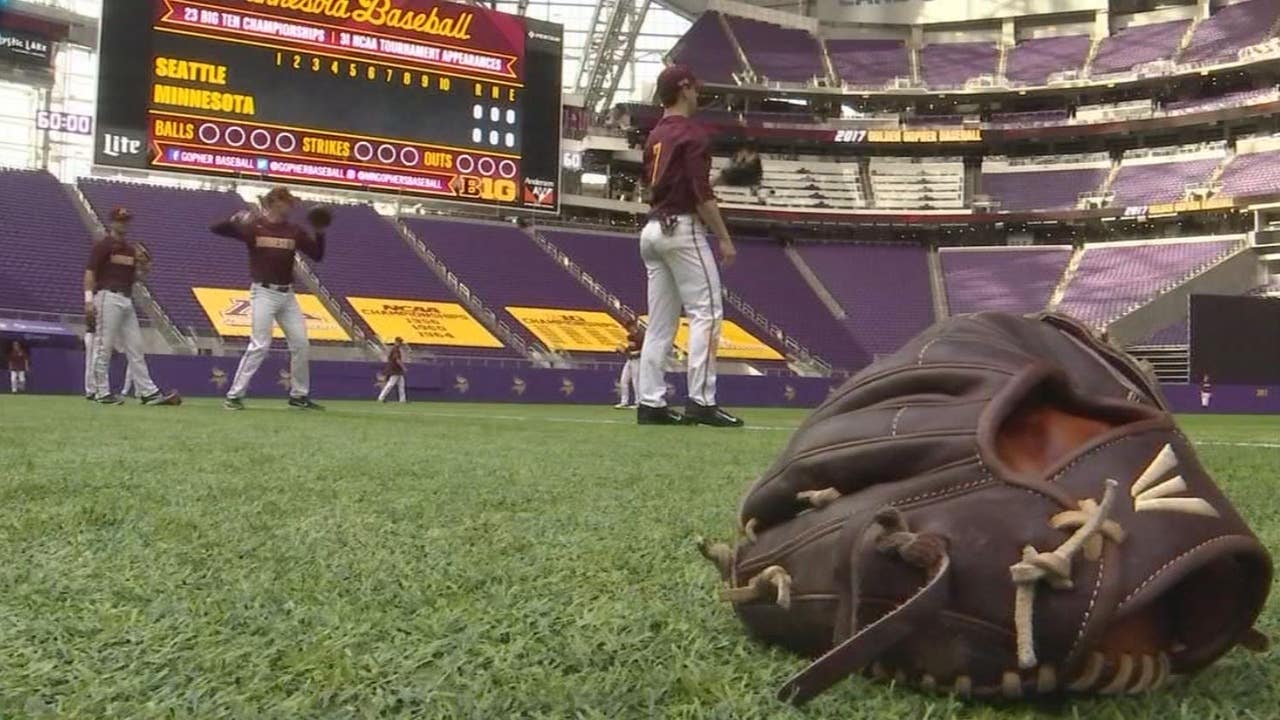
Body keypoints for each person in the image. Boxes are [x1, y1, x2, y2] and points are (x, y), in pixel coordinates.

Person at [636, 65, 743, 428]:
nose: (698, 94)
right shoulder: (692, 133)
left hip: (652, 228)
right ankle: (701, 400)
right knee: (706, 313)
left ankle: (650, 403)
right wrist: (724, 237)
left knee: (659, 324)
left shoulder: (655, 134)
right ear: (684, 89)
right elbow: (700, 194)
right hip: (682, 229)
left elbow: (662, 184)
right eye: (695, 88)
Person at [210, 187, 327, 411]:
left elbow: (317, 256)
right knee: (260, 344)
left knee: (301, 344)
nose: (291, 206)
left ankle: (299, 395)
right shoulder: (254, 227)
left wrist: (320, 232)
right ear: (274, 202)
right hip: (263, 292)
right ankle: (234, 395)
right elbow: (215, 229)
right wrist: (233, 220)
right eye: (287, 201)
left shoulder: (294, 230)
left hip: (287, 295)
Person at [84, 207, 181, 406]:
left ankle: (148, 392)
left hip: (126, 298)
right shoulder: (103, 245)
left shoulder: (130, 250)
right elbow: (90, 272)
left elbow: (133, 278)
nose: (123, 224)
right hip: (107, 296)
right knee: (104, 346)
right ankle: (101, 392)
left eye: (126, 220)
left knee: (136, 348)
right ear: (111, 222)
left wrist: (145, 268)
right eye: (120, 220)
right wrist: (88, 300)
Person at [84, 308, 134, 401]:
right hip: (94, 334)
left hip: (99, 335)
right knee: (92, 363)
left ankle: (95, 390)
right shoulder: (97, 304)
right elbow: (90, 315)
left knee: (97, 362)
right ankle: (93, 391)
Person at [614, 322, 642, 409]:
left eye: (629, 328)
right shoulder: (630, 336)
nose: (629, 330)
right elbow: (629, 349)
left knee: (636, 381)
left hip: (638, 360)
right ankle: (624, 402)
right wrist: (622, 349)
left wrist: (636, 353)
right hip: (630, 360)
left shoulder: (641, 335)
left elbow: (643, 349)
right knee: (623, 380)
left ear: (633, 327)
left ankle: (638, 402)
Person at [377, 337, 408, 403]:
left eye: (400, 342)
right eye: (399, 342)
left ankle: (403, 400)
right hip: (395, 370)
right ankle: (381, 398)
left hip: (398, 370)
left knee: (401, 386)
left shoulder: (396, 349)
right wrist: (403, 367)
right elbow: (397, 360)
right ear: (396, 342)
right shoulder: (395, 349)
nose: (400, 343)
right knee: (390, 384)